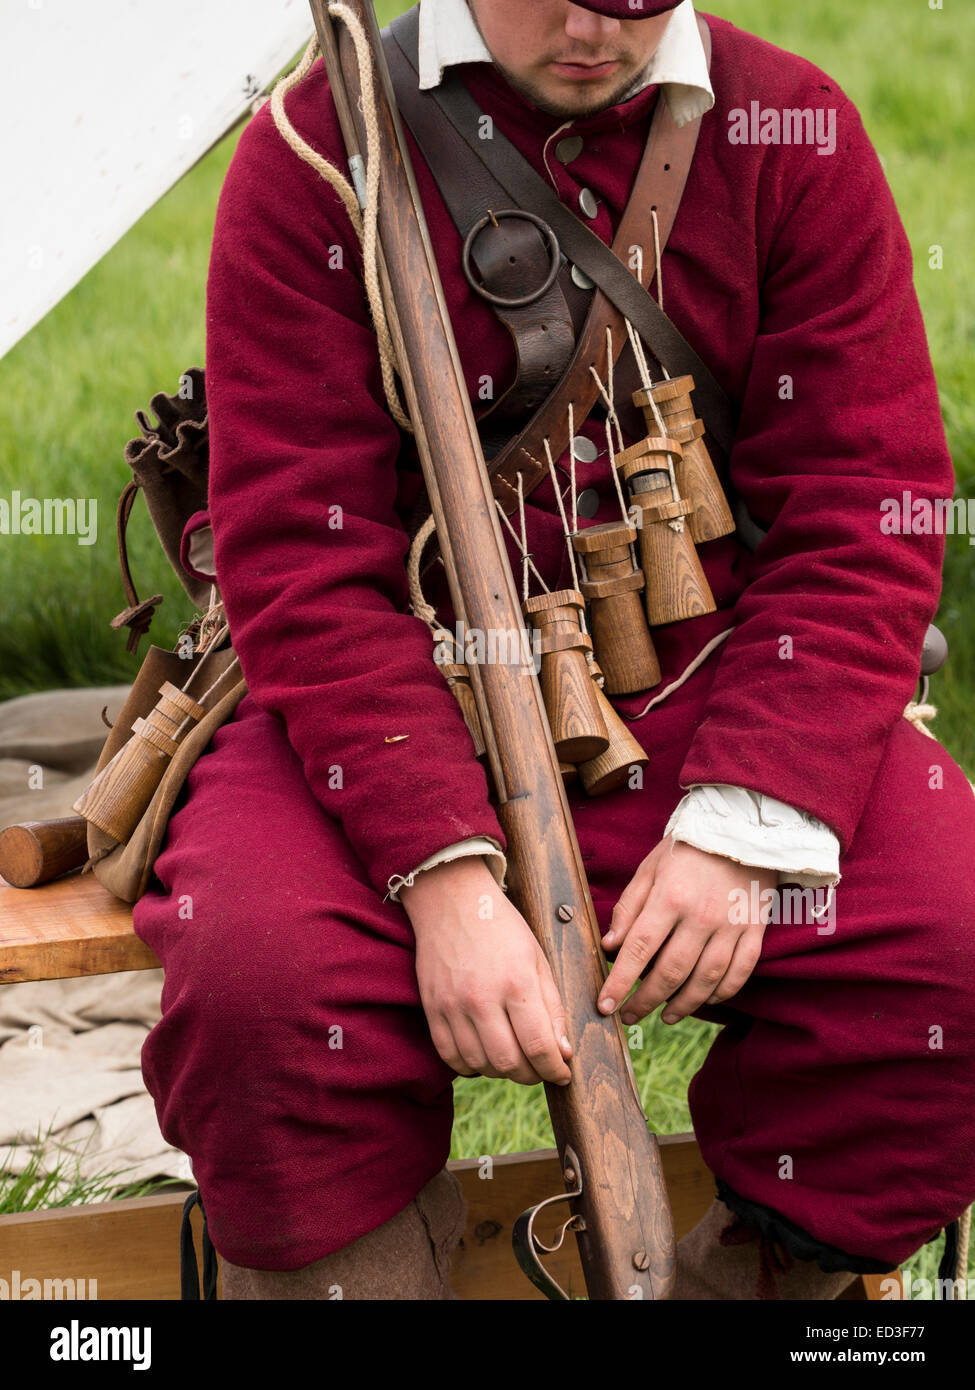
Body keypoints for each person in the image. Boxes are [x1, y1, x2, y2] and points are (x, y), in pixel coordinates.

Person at [132, 0, 975, 1300]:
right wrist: (443, 875)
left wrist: (747, 825)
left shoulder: (791, 135)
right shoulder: (312, 148)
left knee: (951, 948)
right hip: (385, 700)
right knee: (258, 979)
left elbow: (866, 509)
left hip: (719, 689)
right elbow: (301, 558)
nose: (595, 29)